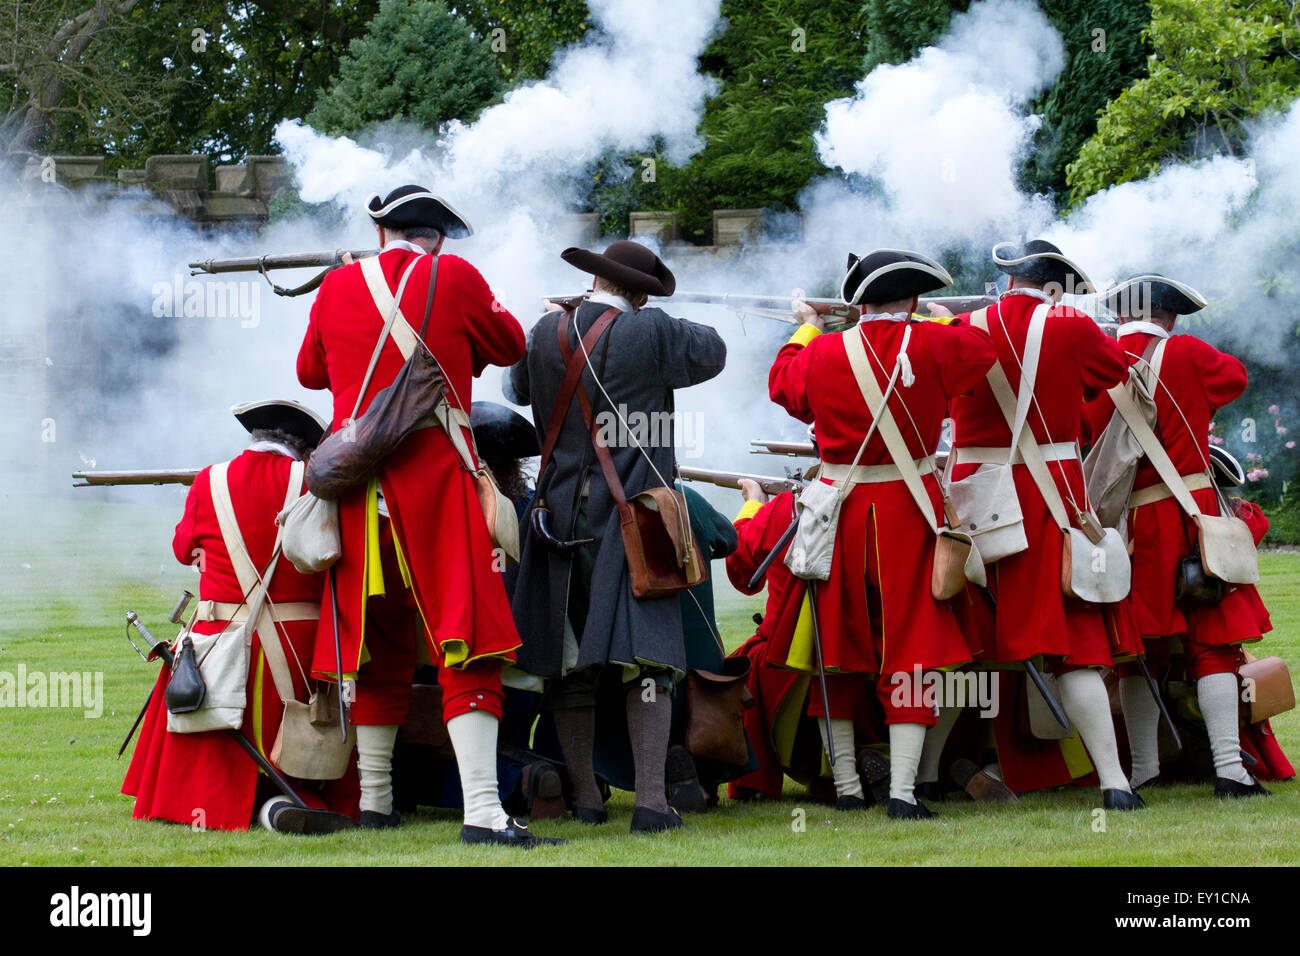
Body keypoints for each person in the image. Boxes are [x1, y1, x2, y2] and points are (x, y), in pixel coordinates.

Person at [296, 184, 560, 846]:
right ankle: (483, 812)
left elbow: (310, 373)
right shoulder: (454, 273)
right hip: (436, 488)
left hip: (358, 499)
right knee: (471, 644)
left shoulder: (335, 287)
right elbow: (506, 345)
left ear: (382, 232)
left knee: (379, 649)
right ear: (436, 237)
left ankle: (378, 802)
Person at [768, 248, 997, 818]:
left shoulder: (821, 350)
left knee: (838, 651)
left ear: (858, 303)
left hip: (840, 516)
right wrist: (939, 318)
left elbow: (782, 386)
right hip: (909, 513)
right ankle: (902, 793)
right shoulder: (935, 340)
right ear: (913, 300)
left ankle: (846, 787)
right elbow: (980, 354)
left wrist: (806, 327)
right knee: (913, 653)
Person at [508, 239, 727, 832]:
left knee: (571, 664)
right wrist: (650, 317)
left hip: (556, 519)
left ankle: (586, 800)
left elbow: (516, 391)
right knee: (647, 663)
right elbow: (714, 352)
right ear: (639, 290)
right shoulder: (653, 331)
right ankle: (653, 805)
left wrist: (561, 319)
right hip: (632, 518)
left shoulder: (545, 332)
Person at [947, 239, 1145, 811]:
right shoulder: (1072, 327)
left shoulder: (962, 328)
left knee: (958, 637)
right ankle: (1115, 782)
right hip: (1051, 495)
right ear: (1057, 285)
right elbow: (1114, 374)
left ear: (1010, 280)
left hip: (975, 497)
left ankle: (922, 780)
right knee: (1076, 637)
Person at [122, 400, 358, 834]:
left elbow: (182, 550)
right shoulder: (317, 481)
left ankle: (209, 801)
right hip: (300, 642)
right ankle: (290, 795)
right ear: (305, 448)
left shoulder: (209, 480)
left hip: (219, 637)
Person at [1088, 275, 1276, 797]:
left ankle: (1145, 768)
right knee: (1214, 644)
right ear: (1169, 316)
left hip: (1130, 527)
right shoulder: (1187, 352)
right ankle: (1229, 770)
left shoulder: (1098, 360)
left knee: (1142, 650)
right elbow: (1234, 379)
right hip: (1194, 516)